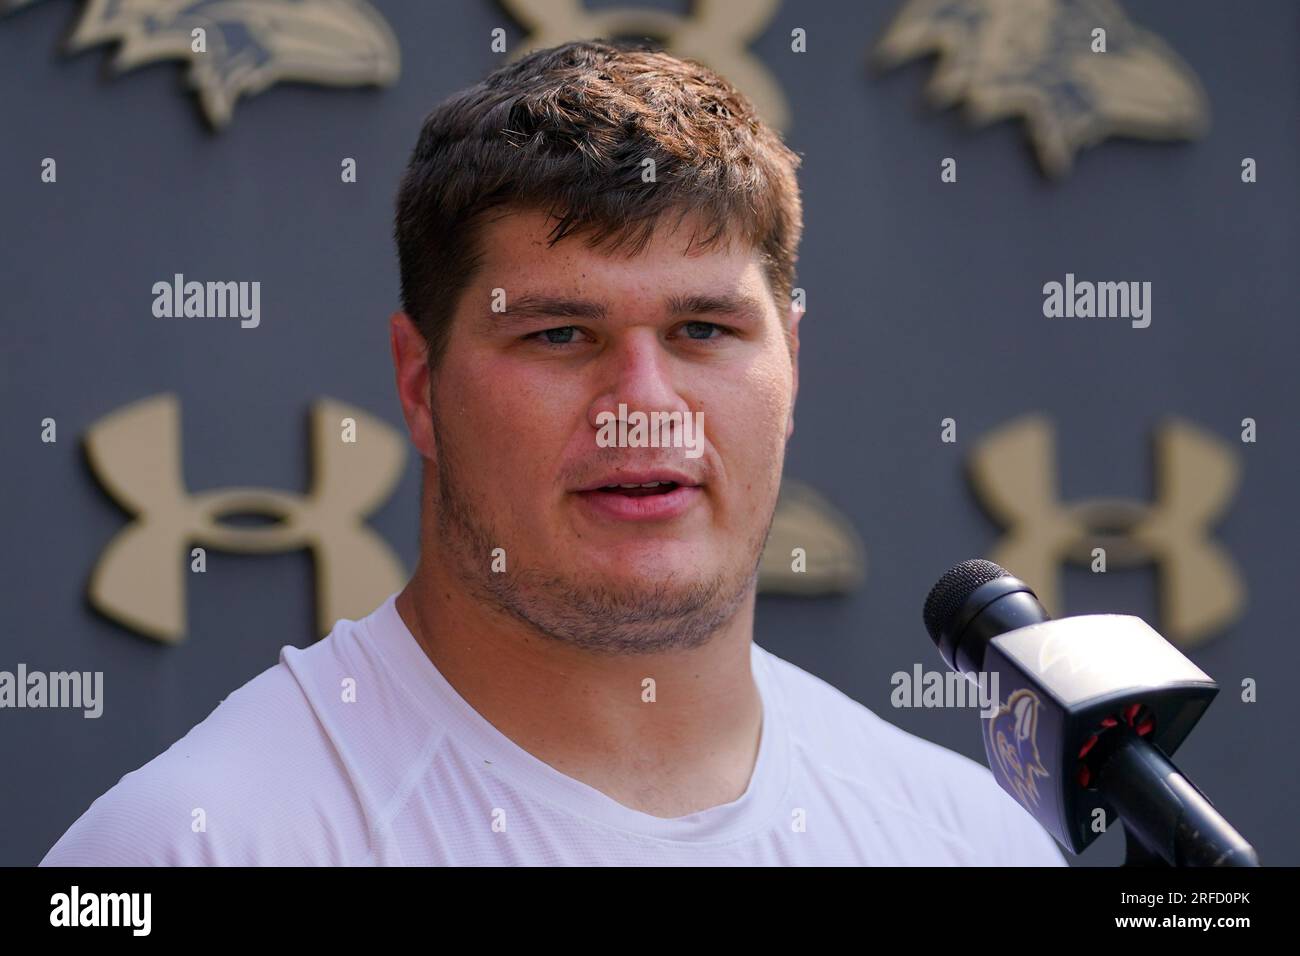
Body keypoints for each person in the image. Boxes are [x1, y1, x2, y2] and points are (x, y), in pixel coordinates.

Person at [42, 39, 1065, 866]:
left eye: (703, 330)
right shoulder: (194, 844)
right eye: (559, 335)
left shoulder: (971, 837)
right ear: (419, 383)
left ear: (789, 361)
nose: (642, 405)